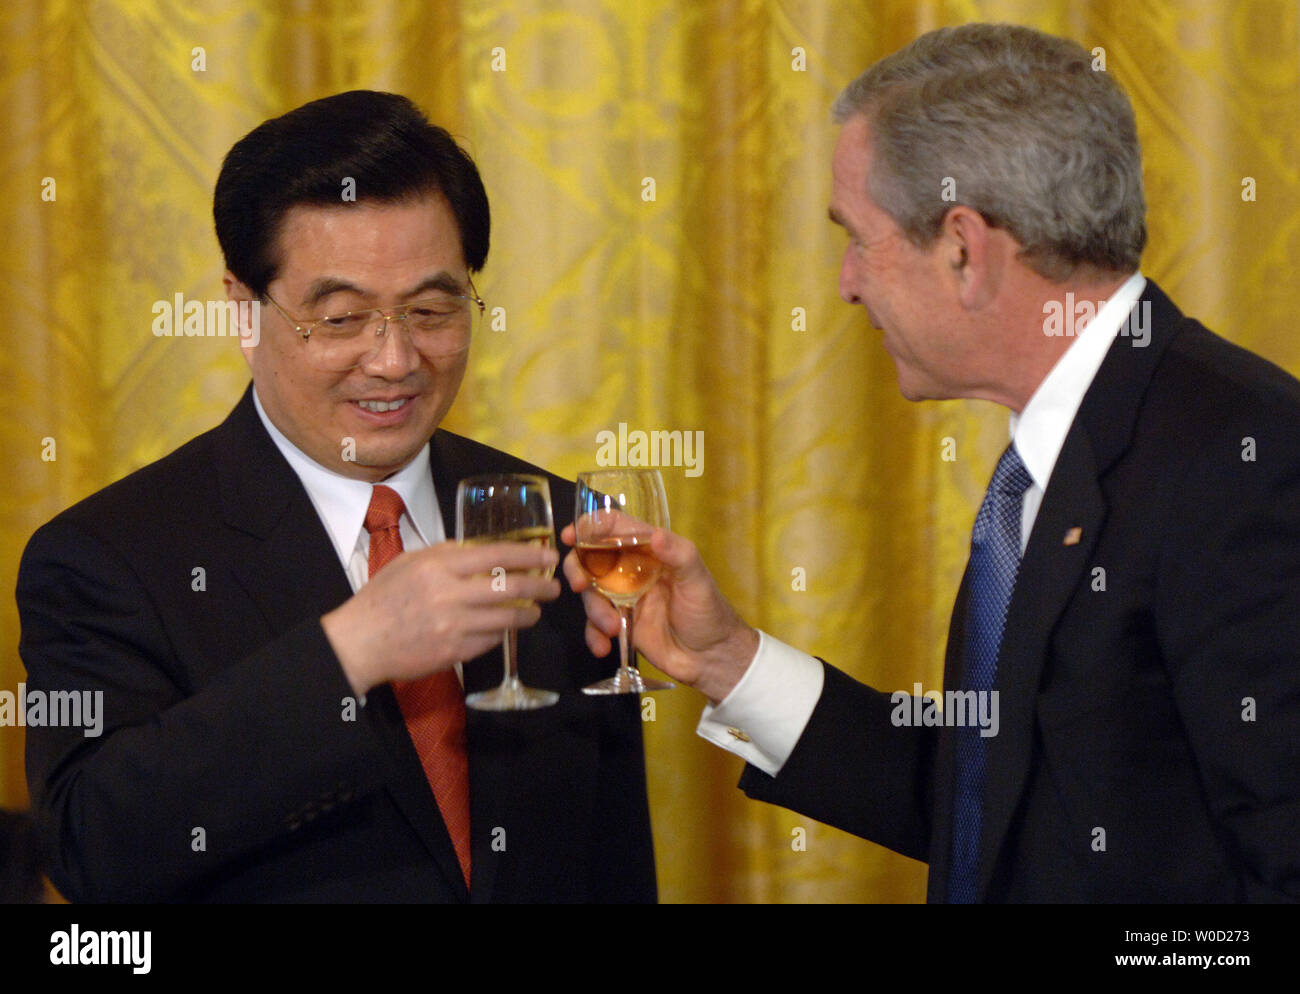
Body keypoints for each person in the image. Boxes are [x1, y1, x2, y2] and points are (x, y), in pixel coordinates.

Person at [564, 24, 1300, 902]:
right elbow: (997, 806)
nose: (845, 283)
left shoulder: (1246, 460)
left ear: (963, 248)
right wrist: (727, 659)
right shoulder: (1066, 448)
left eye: (858, 238)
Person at [18, 90, 655, 903]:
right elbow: (90, 851)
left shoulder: (560, 525)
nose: (394, 360)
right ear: (244, 312)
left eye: (431, 310)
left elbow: (613, 864)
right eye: (345, 318)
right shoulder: (110, 555)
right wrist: (348, 653)